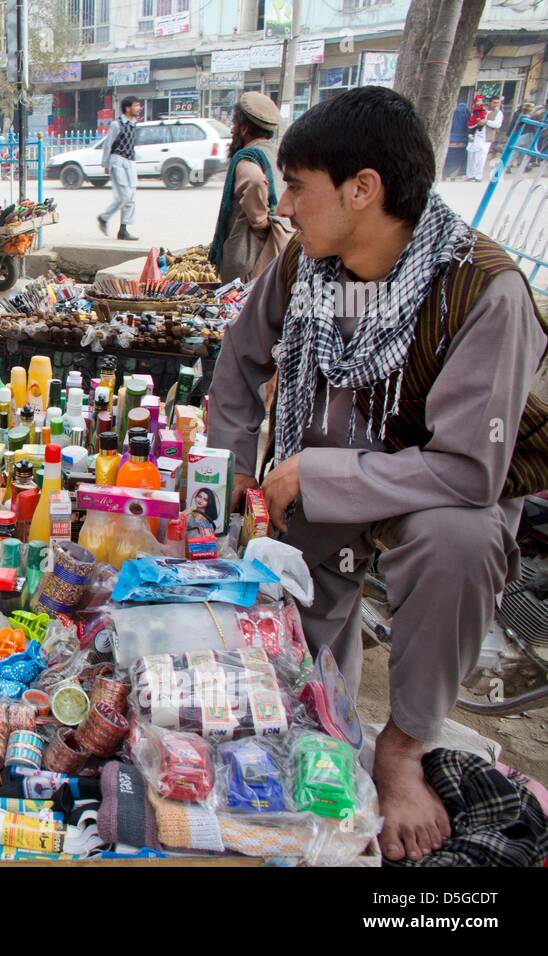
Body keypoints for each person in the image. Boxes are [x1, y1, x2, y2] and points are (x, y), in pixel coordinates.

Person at [207, 86, 548, 863]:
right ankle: (328, 721)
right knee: (294, 672)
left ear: (364, 190)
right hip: (317, 488)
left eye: (298, 186)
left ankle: (404, 746)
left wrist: (320, 474)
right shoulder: (307, 263)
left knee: (457, 540)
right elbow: (238, 367)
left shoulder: (484, 291)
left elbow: (467, 469)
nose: (285, 205)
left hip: (432, 493)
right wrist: (227, 470)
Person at [208, 92, 293, 284]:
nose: (232, 131)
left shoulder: (247, 157)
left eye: (235, 125)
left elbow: (255, 182)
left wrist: (259, 221)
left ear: (244, 129)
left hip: (252, 254)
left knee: (243, 303)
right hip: (277, 248)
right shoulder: (274, 152)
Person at [97, 96, 141, 241]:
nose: (139, 108)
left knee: (131, 197)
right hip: (118, 161)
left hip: (130, 162)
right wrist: (106, 164)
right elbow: (108, 144)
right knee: (124, 196)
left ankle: (123, 229)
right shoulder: (117, 124)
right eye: (136, 105)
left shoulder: (134, 124)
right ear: (128, 108)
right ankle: (104, 218)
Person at [466, 95, 503, 181]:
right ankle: (470, 175)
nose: (496, 104)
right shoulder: (481, 110)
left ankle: (478, 176)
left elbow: (497, 124)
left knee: (481, 157)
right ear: (490, 102)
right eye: (494, 102)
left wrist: (486, 122)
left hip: (486, 138)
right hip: (475, 136)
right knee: (472, 156)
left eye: (497, 103)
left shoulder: (498, 113)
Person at [442, 99, 471, 180]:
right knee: (457, 161)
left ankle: (444, 177)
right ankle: (452, 178)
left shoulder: (446, 110)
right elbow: (470, 123)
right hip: (460, 141)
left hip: (449, 141)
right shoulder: (464, 109)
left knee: (446, 161)